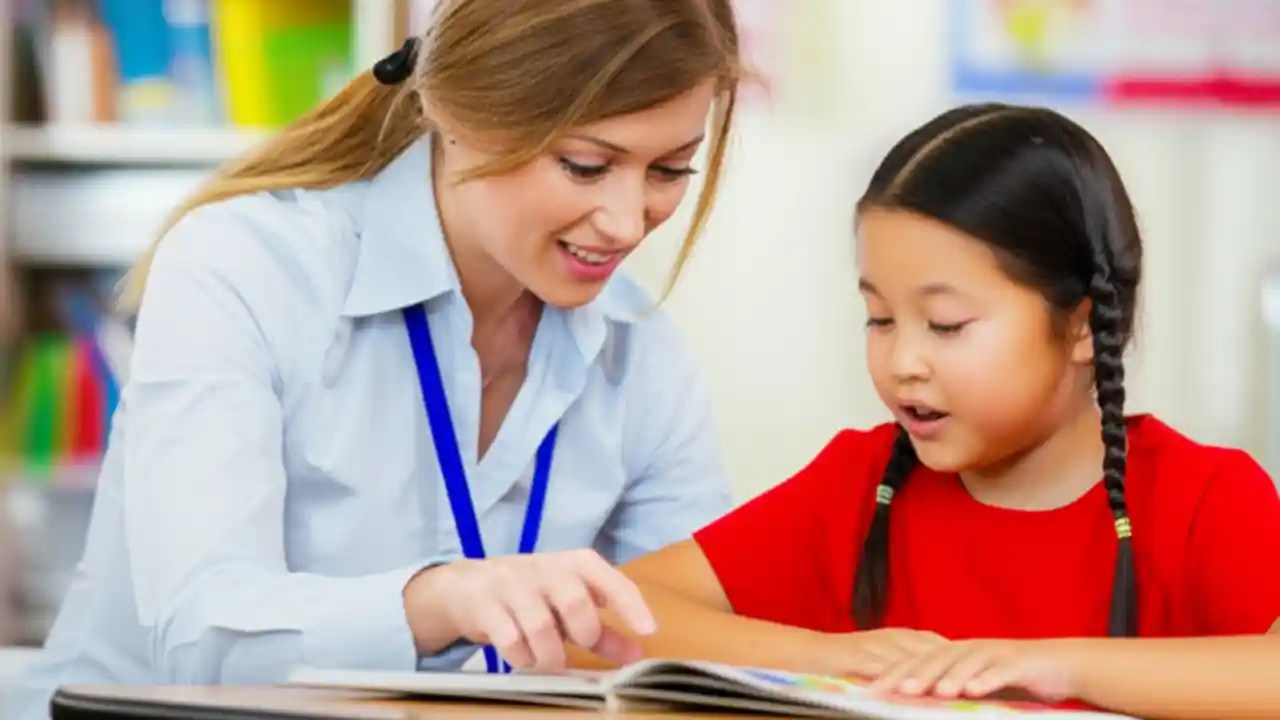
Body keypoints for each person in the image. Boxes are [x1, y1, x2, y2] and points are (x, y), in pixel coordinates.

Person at [11, 0, 741, 715]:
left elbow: (672, 636)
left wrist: (836, 661)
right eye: (585, 166)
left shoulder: (641, 351)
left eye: (669, 171)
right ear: (461, 117)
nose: (625, 222)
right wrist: (443, 597)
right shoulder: (245, 267)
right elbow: (203, 639)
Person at [588, 104, 1280, 719]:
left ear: (1079, 326)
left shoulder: (1205, 500)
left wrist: (1056, 668)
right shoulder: (861, 483)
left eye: (946, 324)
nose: (903, 362)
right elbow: (593, 621)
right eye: (880, 319)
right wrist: (828, 659)